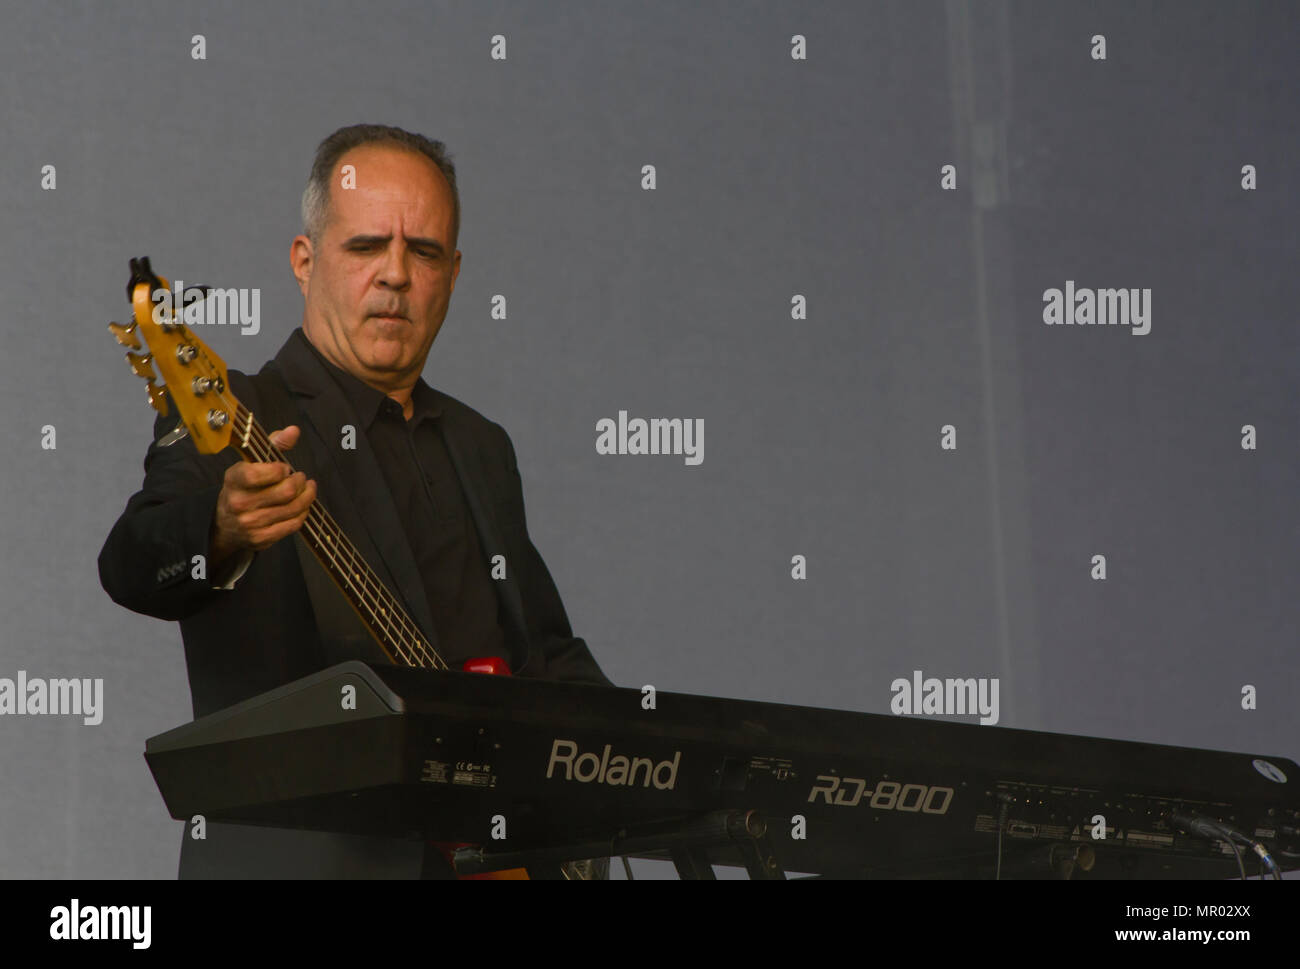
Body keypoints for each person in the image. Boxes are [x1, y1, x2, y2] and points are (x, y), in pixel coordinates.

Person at [98, 124, 613, 878]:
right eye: (366, 246)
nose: (396, 275)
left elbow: (545, 655)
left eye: (424, 252)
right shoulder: (236, 408)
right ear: (305, 262)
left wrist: (644, 765)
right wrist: (221, 528)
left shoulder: (481, 444)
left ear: (455, 274)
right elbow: (132, 560)